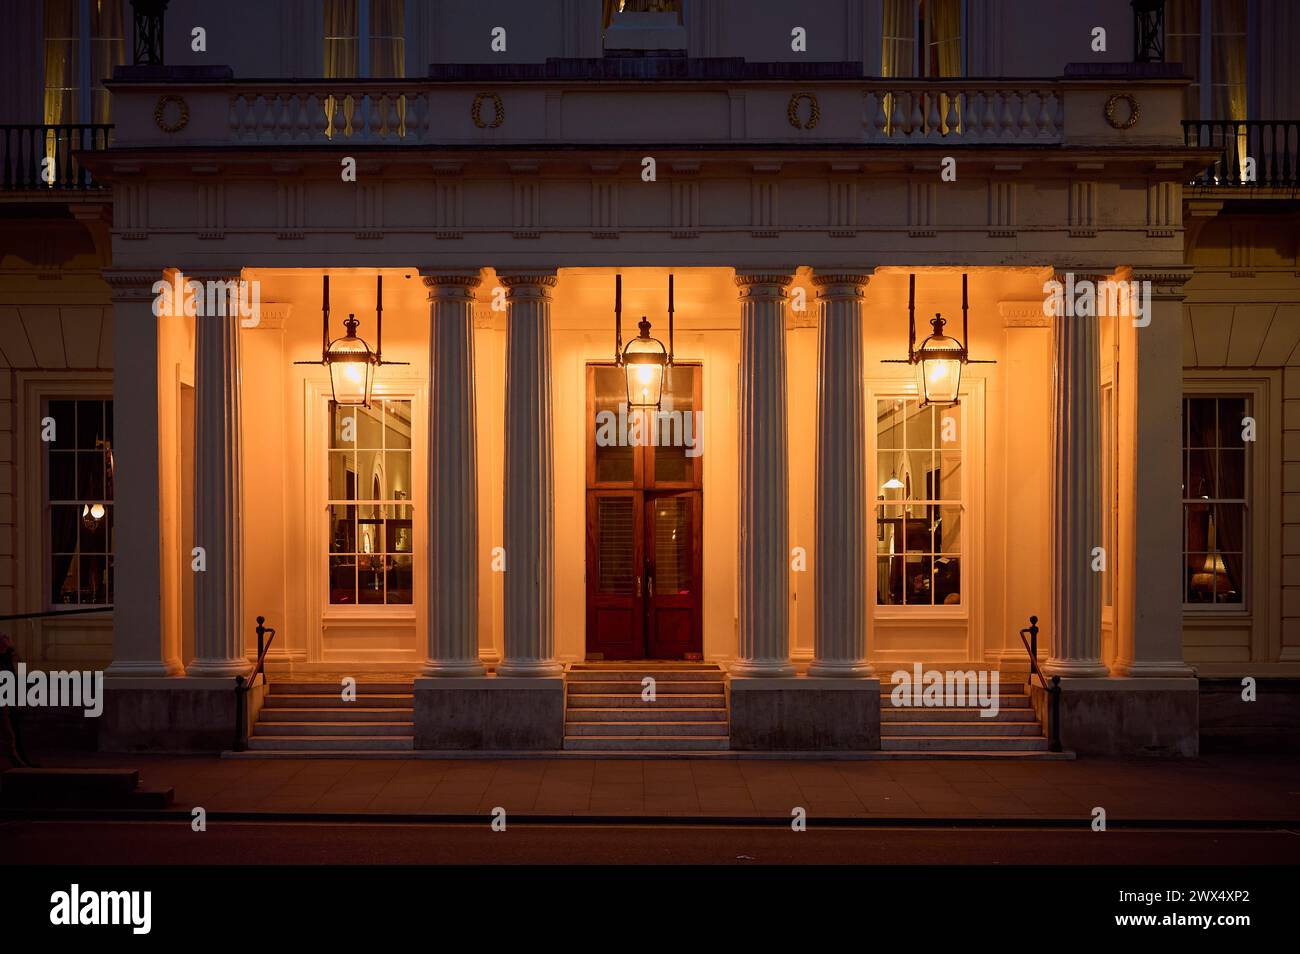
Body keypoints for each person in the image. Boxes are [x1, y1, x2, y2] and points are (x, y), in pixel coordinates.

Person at [0, 632, 31, 768]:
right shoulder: (3, 659)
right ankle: (16, 760)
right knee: (8, 732)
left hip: (7, 698)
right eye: (4, 639)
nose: (7, 641)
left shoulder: (7, 657)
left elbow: (18, 668)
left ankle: (17, 760)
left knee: (10, 732)